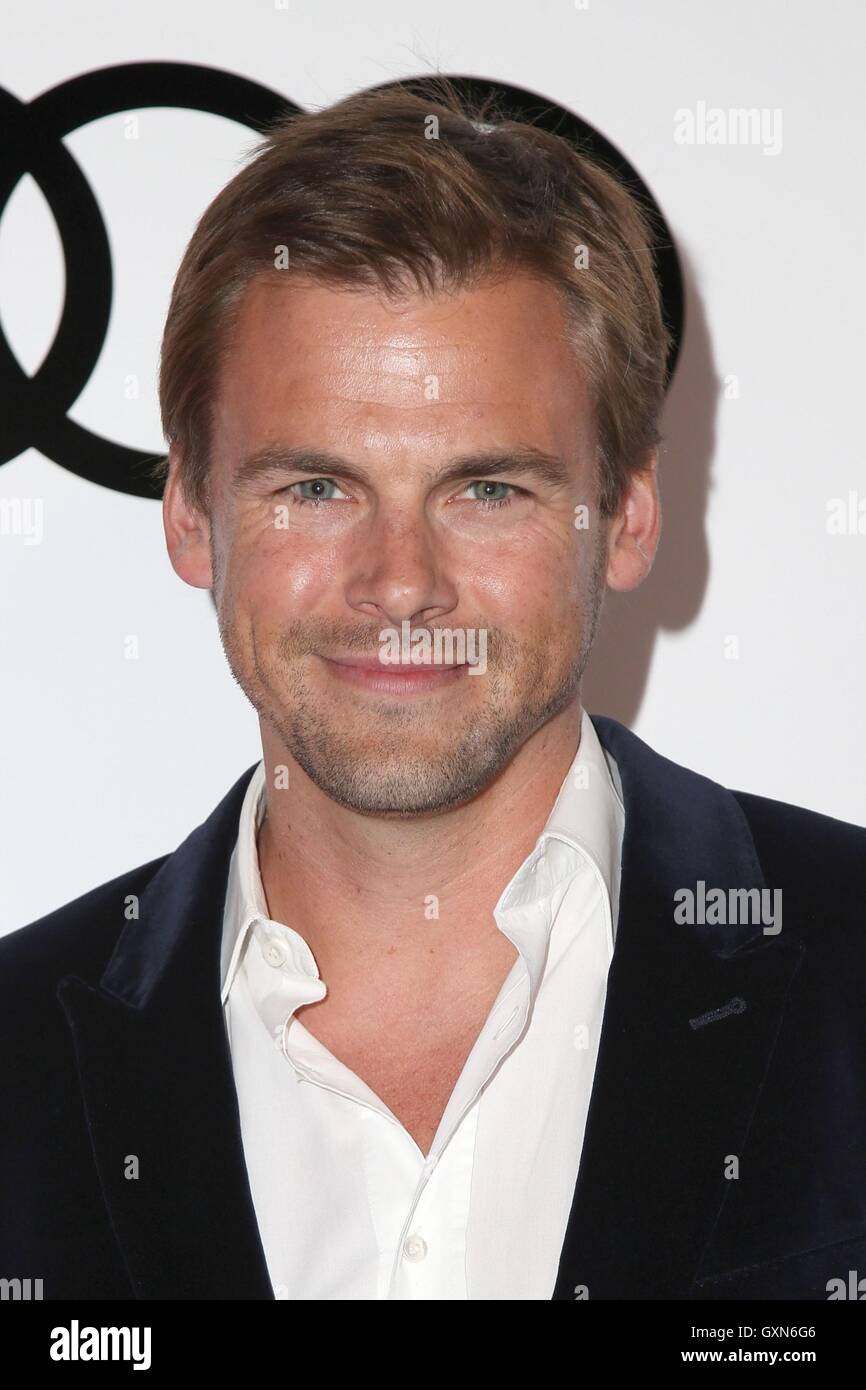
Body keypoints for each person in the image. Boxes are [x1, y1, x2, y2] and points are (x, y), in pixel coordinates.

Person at [1, 80, 864, 1302]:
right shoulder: (20, 1056)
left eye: (486, 491)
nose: (398, 585)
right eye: (314, 488)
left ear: (623, 515)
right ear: (190, 512)